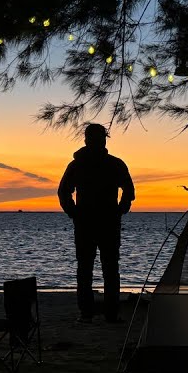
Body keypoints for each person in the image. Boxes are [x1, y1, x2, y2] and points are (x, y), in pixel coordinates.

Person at [58, 123, 135, 323]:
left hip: (106, 223)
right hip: (88, 223)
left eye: (98, 138)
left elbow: (129, 190)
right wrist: (73, 212)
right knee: (89, 269)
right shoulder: (78, 165)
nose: (95, 142)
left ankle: (106, 313)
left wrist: (120, 209)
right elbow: (64, 191)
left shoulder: (114, 164)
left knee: (105, 269)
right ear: (87, 140)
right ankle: (88, 313)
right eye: (93, 138)